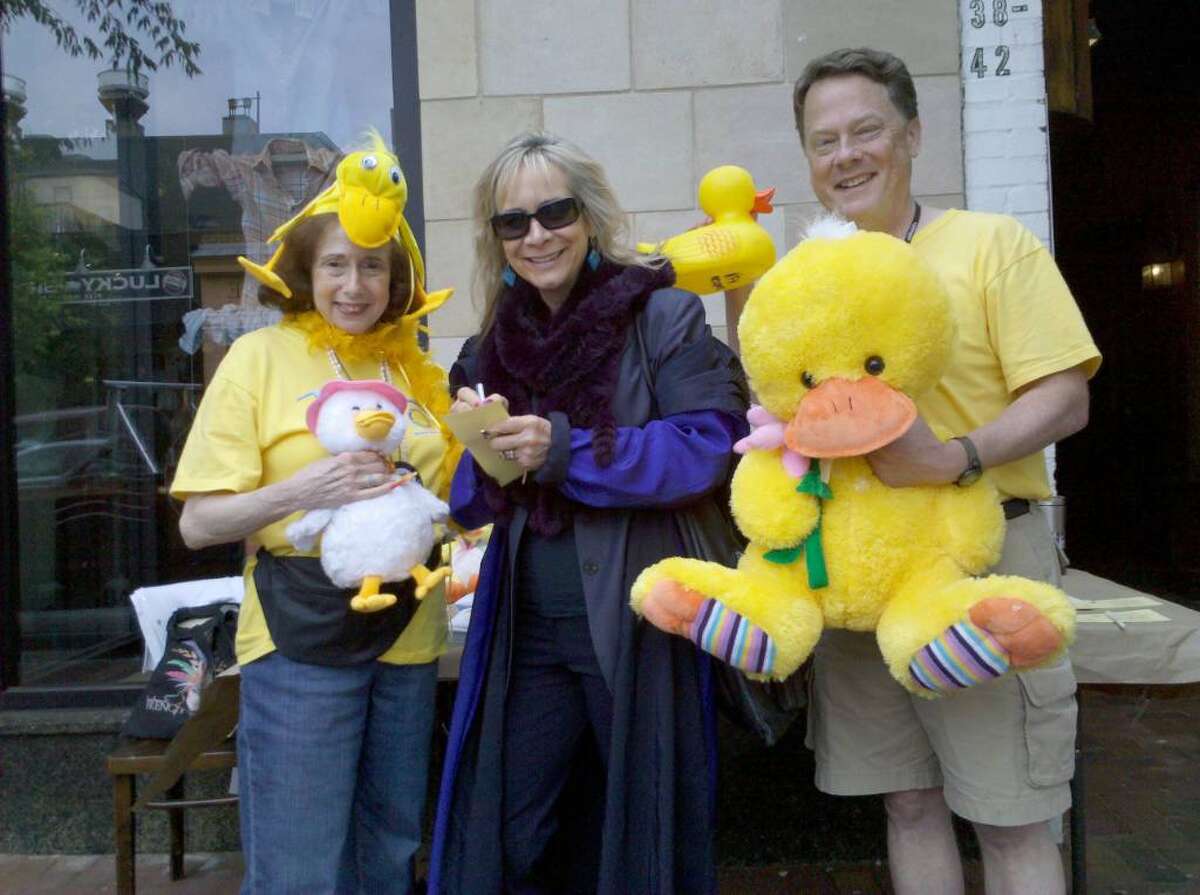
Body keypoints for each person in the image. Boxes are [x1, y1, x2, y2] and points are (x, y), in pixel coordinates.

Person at [730, 47, 1101, 895]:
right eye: (824, 141)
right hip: (856, 585)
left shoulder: (989, 245)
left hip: (980, 559)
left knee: (1010, 815)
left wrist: (952, 457)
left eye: (866, 131)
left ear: (913, 135)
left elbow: (1065, 395)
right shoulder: (804, 278)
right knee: (906, 803)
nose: (846, 155)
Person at [428, 131, 749, 894]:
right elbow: (470, 499)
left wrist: (564, 449)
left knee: (640, 827)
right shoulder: (490, 345)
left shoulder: (660, 316)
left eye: (555, 212)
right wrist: (483, 449)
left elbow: (710, 446)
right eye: (514, 221)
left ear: (591, 215)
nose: (536, 235)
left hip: (635, 621)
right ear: (497, 238)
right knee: (508, 831)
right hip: (525, 627)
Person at [171, 151, 461, 893]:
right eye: (336, 265)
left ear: (395, 280)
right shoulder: (257, 357)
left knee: (389, 850)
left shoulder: (412, 369)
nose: (353, 285)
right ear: (307, 270)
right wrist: (303, 489)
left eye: (372, 267)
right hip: (299, 630)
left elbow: (446, 493)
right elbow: (199, 524)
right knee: (300, 861)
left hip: (409, 633)